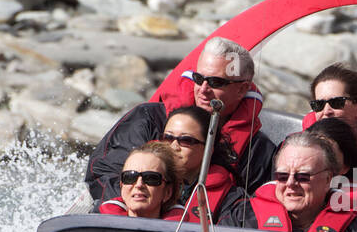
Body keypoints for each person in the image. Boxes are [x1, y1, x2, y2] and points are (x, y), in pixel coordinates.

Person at [86, 37, 277, 201]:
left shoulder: (258, 151)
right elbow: (103, 171)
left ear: (242, 89)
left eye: (215, 82)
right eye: (198, 78)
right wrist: (138, 211)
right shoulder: (148, 119)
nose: (203, 89)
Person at [220, 131, 357, 232]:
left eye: (303, 177)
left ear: (327, 180)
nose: (290, 183)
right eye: (282, 176)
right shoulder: (240, 218)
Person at [158, 105, 246, 223]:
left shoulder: (232, 201)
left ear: (209, 149)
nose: (174, 146)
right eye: (168, 138)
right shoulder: (138, 181)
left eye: (186, 140)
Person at [98, 142, 183, 219]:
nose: (139, 185)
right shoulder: (96, 231)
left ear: (167, 192)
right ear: (121, 186)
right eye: (130, 177)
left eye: (151, 178)